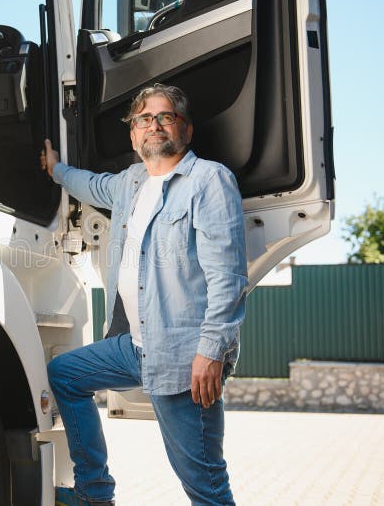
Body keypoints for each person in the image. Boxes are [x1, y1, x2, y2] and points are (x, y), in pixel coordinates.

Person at [41, 84, 246, 506]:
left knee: (204, 485)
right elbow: (90, 184)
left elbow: (227, 277)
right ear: (133, 135)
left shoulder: (208, 181)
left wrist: (211, 353)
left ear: (185, 130)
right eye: (144, 119)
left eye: (165, 117)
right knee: (65, 375)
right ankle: (95, 494)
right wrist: (56, 169)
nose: (154, 125)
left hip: (185, 357)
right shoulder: (131, 183)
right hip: (135, 347)